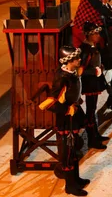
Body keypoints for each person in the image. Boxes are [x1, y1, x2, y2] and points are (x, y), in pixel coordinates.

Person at [39, 46, 89, 196]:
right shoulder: (62, 78)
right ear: (69, 61)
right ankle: (70, 186)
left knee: (73, 150)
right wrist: (67, 109)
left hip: (73, 115)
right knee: (67, 152)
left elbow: (72, 93)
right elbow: (49, 102)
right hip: (65, 120)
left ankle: (76, 179)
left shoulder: (71, 73)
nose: (79, 60)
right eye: (76, 58)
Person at [79, 22, 110, 150]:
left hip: (95, 82)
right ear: (89, 35)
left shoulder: (93, 46)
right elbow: (81, 70)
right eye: (96, 33)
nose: (98, 36)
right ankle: (92, 139)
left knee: (93, 110)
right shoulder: (86, 50)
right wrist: (95, 71)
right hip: (90, 84)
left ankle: (96, 135)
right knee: (91, 112)